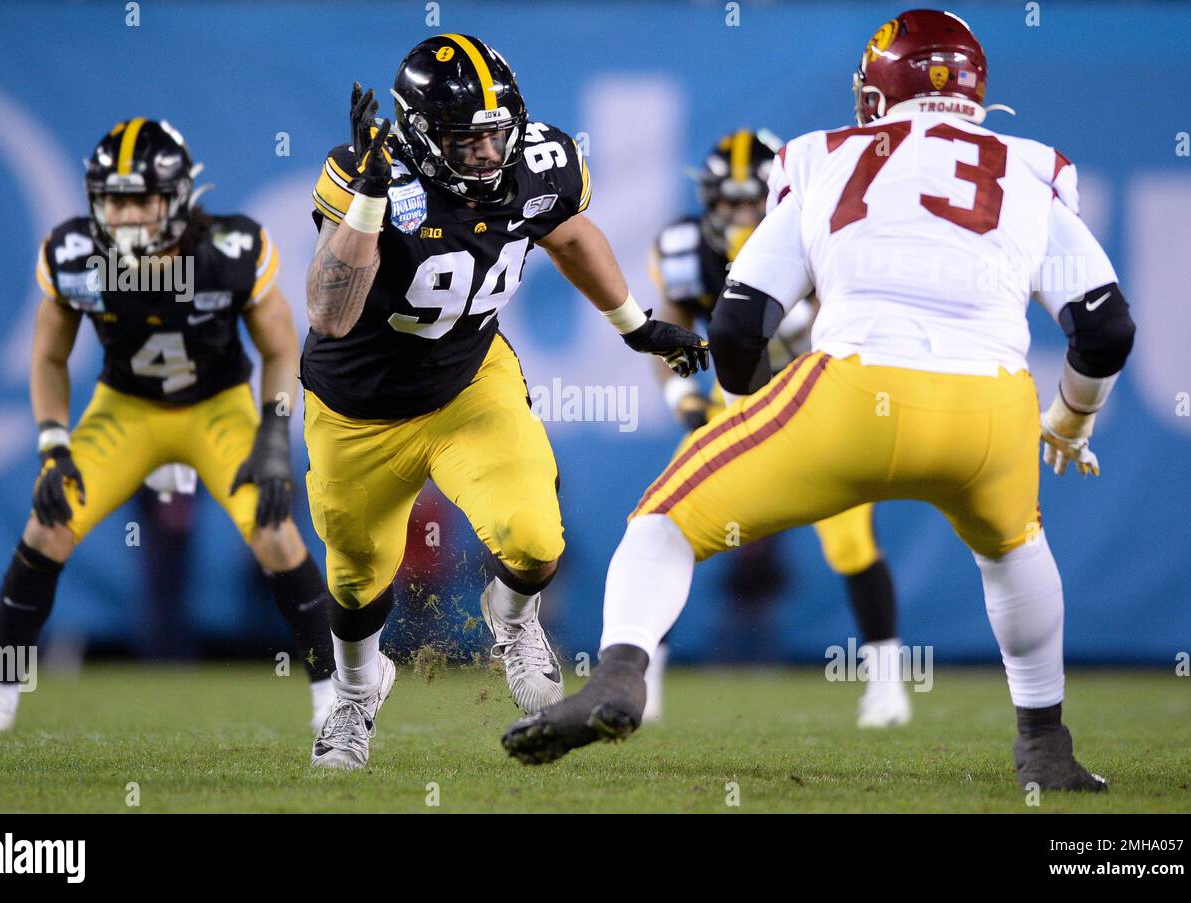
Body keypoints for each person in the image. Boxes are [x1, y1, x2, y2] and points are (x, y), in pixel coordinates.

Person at [503, 10, 1135, 793]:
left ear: (877, 94)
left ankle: (620, 674)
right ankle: (1045, 743)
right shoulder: (1029, 170)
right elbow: (1105, 328)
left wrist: (741, 412)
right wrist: (1070, 421)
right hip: (994, 411)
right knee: (1014, 551)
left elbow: (739, 321)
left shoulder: (823, 158)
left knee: (663, 520)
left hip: (851, 391)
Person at [302, 34, 708, 770]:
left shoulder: (536, 161)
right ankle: (356, 698)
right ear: (421, 135)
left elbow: (570, 233)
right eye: (467, 139)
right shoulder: (368, 176)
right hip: (357, 406)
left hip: (467, 380)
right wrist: (365, 204)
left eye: (496, 134)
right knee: (356, 581)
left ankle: (511, 617)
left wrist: (635, 324)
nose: (490, 154)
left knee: (535, 538)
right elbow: (330, 313)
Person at [0, 119, 336, 735]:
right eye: (113, 200)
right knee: (47, 528)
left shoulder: (229, 251)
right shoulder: (76, 254)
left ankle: (332, 695)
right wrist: (52, 443)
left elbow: (282, 350)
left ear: (178, 197)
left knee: (274, 531)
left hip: (217, 405)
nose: (126, 216)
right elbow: (48, 356)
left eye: (140, 199)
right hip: (126, 409)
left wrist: (272, 435)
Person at [648, 128, 907, 726]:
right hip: (738, 401)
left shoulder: (826, 236)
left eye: (751, 202)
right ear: (708, 201)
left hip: (820, 397)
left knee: (850, 540)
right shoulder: (684, 249)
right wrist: (685, 398)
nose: (739, 215)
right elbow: (668, 333)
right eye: (728, 202)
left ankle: (888, 687)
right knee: (672, 526)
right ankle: (642, 678)